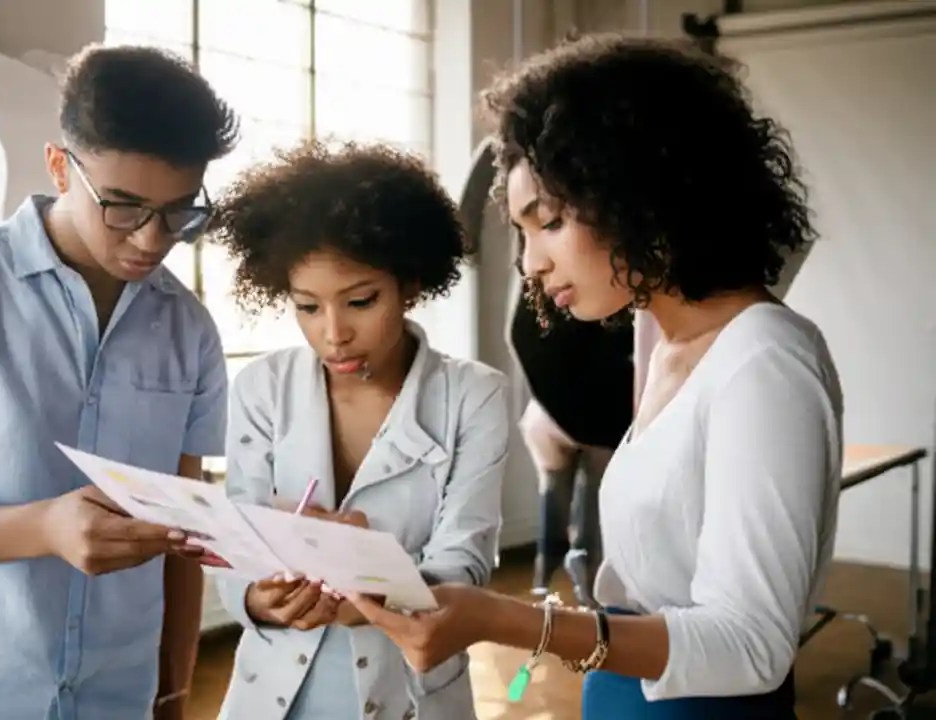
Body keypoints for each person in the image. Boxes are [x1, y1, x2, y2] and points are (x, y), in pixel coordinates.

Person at [349, 34, 843, 719]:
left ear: (641, 193)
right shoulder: (661, 340)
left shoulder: (765, 359)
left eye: (547, 222)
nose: (530, 264)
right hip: (623, 690)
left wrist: (503, 619)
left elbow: (751, 645)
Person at [0, 44, 239, 720]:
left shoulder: (189, 329)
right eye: (123, 206)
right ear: (60, 166)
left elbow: (179, 540)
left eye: (178, 213)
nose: (151, 239)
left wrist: (171, 695)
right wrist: (44, 527)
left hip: (114, 699)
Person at [208, 139, 511, 719]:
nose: (334, 334)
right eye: (308, 307)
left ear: (411, 285)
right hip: (272, 694)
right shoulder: (261, 389)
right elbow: (233, 544)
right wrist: (258, 598)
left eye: (361, 301)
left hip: (413, 693)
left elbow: (464, 562)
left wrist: (366, 578)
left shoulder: (474, 397)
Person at [507, 261, 633, 604]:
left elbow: (521, 336)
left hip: (549, 415)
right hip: (595, 419)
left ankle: (544, 577)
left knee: (554, 494)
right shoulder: (609, 296)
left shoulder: (546, 288)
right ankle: (586, 578)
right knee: (593, 499)